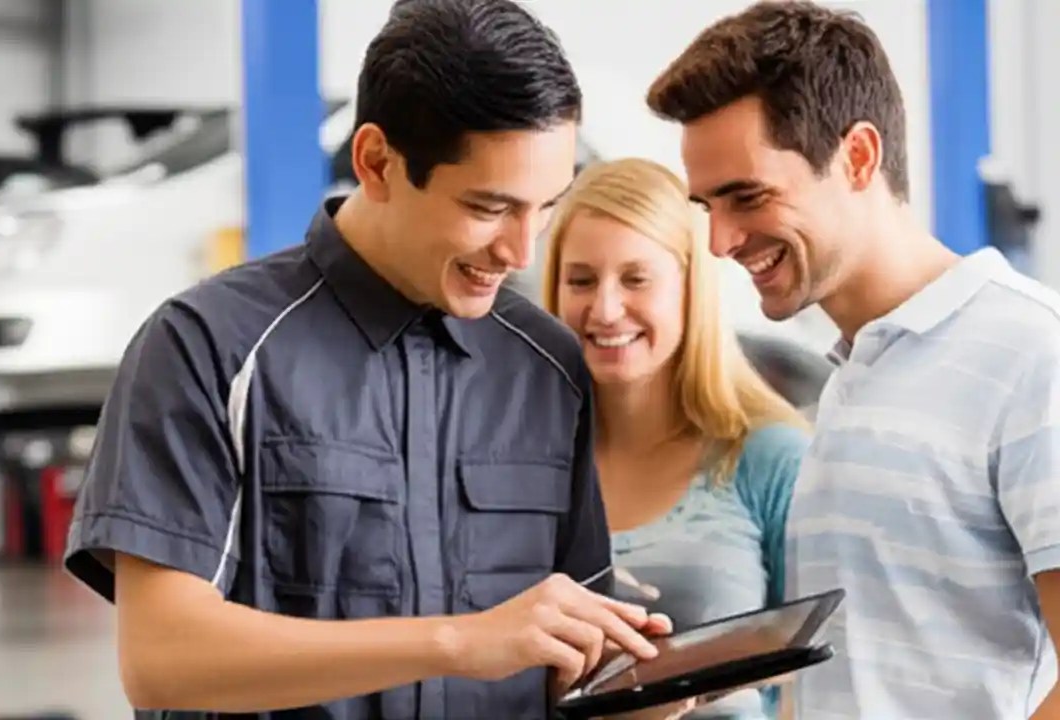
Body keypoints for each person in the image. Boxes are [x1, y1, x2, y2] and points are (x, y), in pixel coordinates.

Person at [62, 1, 673, 718]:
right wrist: (455, 641)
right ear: (377, 162)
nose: (521, 252)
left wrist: (628, 691)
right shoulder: (207, 347)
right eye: (488, 207)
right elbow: (163, 659)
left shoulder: (547, 365)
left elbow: (566, 657)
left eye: (544, 208)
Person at [645, 2, 1060, 718]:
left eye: (747, 197)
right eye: (707, 205)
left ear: (859, 157)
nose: (719, 241)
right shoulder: (854, 373)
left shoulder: (1032, 354)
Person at [540, 157, 810, 720]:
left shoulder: (771, 458)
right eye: (582, 280)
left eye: (636, 278)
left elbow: (822, 677)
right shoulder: (520, 464)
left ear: (691, 289)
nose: (606, 308)